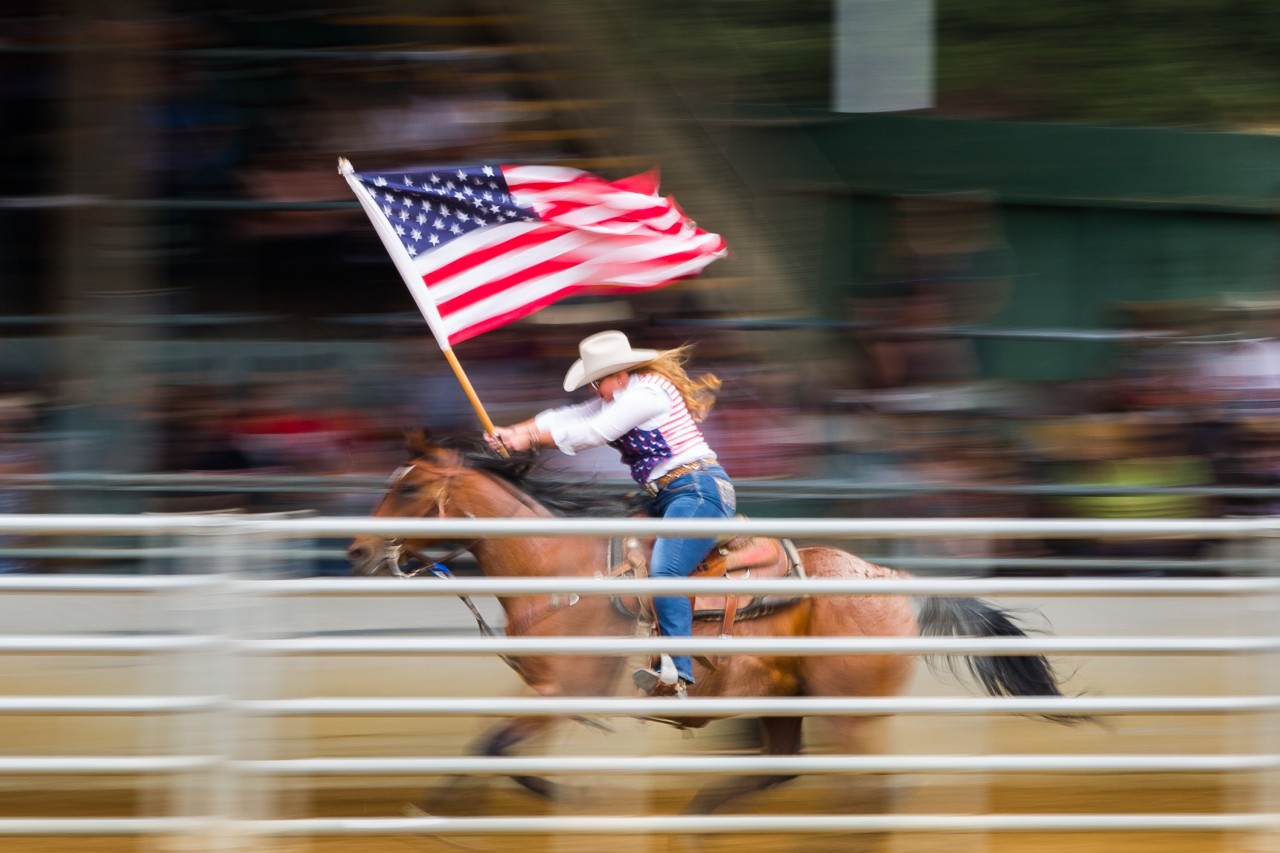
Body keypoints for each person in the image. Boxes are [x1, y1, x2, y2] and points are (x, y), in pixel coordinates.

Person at [485, 330, 737, 697]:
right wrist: (514, 432)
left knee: (665, 572)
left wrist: (526, 439)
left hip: (698, 490)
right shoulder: (622, 394)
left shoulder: (648, 393)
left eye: (597, 381)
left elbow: (593, 432)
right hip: (670, 494)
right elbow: (567, 416)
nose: (593, 390)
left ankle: (677, 671)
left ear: (619, 375)